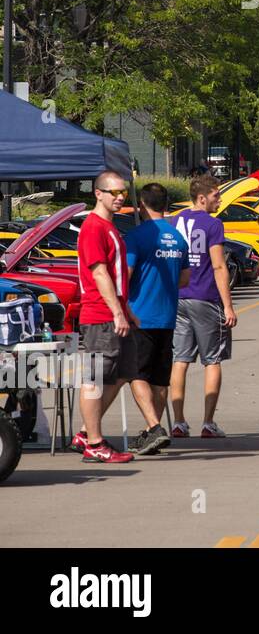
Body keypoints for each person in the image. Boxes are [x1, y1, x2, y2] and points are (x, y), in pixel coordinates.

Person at [72, 171, 137, 463]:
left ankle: (87, 432)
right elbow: (99, 273)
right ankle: (94, 443)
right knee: (95, 378)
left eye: (122, 191)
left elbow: (116, 274)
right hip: (99, 315)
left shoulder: (110, 227)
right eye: (113, 192)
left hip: (115, 313)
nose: (120, 196)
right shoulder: (93, 227)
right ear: (98, 193)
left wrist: (126, 310)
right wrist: (115, 312)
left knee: (123, 374)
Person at [123, 182, 190, 456]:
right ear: (166, 206)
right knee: (160, 377)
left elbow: (125, 276)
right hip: (167, 315)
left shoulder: (137, 236)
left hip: (141, 314)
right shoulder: (177, 237)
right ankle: (155, 430)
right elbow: (184, 279)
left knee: (135, 373)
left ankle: (154, 427)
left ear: (142, 206)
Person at [170, 174, 237, 440]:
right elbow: (219, 265)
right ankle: (208, 422)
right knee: (213, 360)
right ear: (202, 197)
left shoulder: (176, 221)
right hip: (205, 297)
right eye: (215, 196)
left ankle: (178, 421)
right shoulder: (212, 224)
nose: (219, 200)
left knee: (180, 359)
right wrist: (229, 306)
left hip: (180, 296)